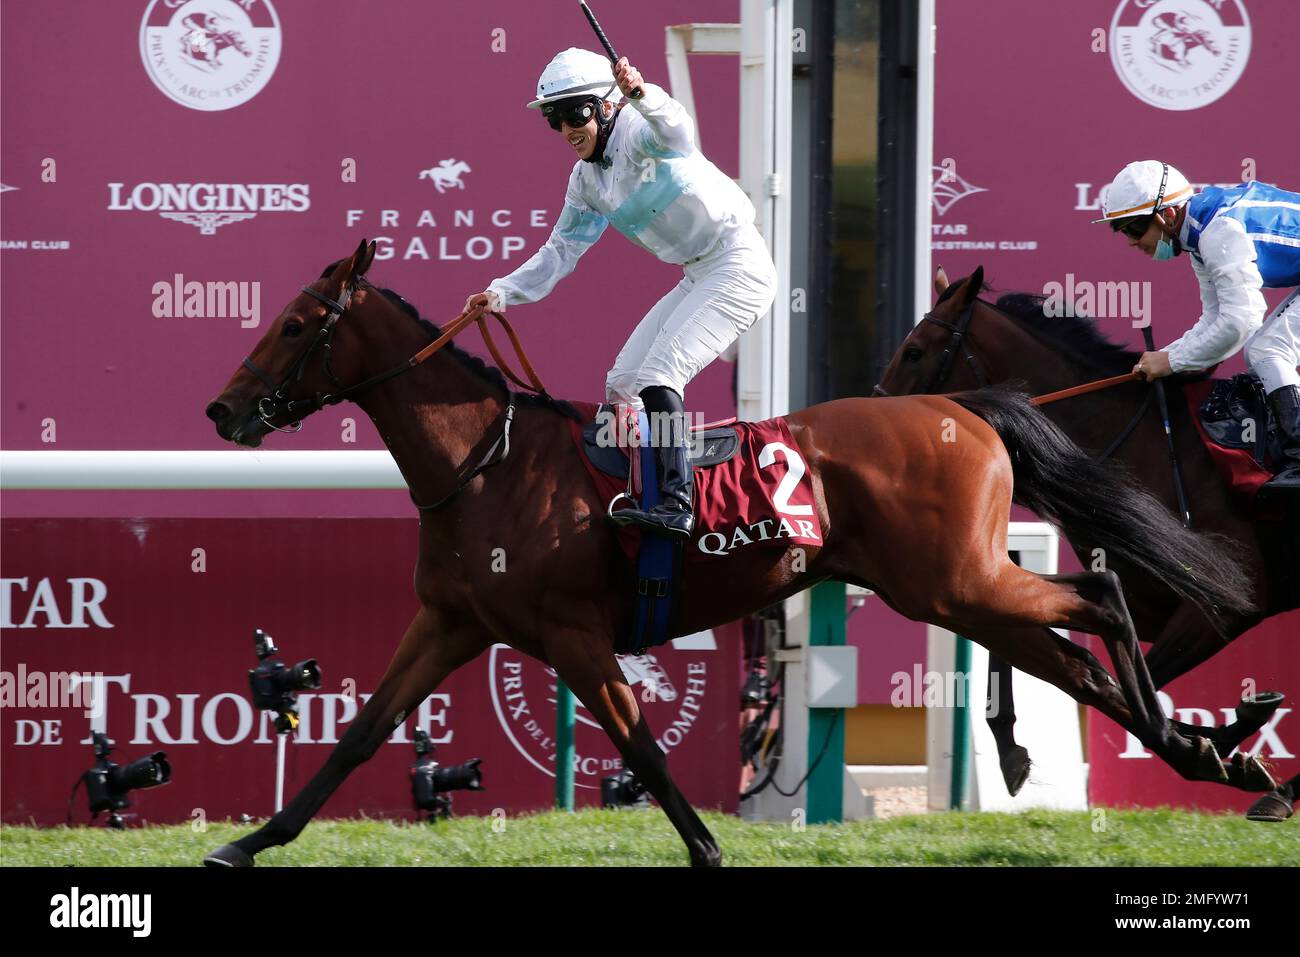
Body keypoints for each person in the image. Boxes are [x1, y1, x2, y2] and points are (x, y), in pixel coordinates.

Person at [462, 48, 777, 539]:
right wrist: (499, 293)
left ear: (607, 106)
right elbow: (560, 252)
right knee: (623, 385)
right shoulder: (586, 182)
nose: (566, 129)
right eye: (554, 119)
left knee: (659, 375)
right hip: (697, 273)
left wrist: (642, 94)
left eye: (575, 113)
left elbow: (678, 133)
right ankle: (636, 488)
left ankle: (676, 502)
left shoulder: (639, 129)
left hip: (739, 266)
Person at [1094, 160, 1300, 491]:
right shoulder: (1201, 235)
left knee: (1268, 348)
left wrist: (1171, 362)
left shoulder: (1219, 231)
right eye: (1122, 232)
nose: (1132, 242)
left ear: (1170, 215)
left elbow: (1241, 320)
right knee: (1265, 349)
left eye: (1133, 228)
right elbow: (1214, 319)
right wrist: (1166, 356)